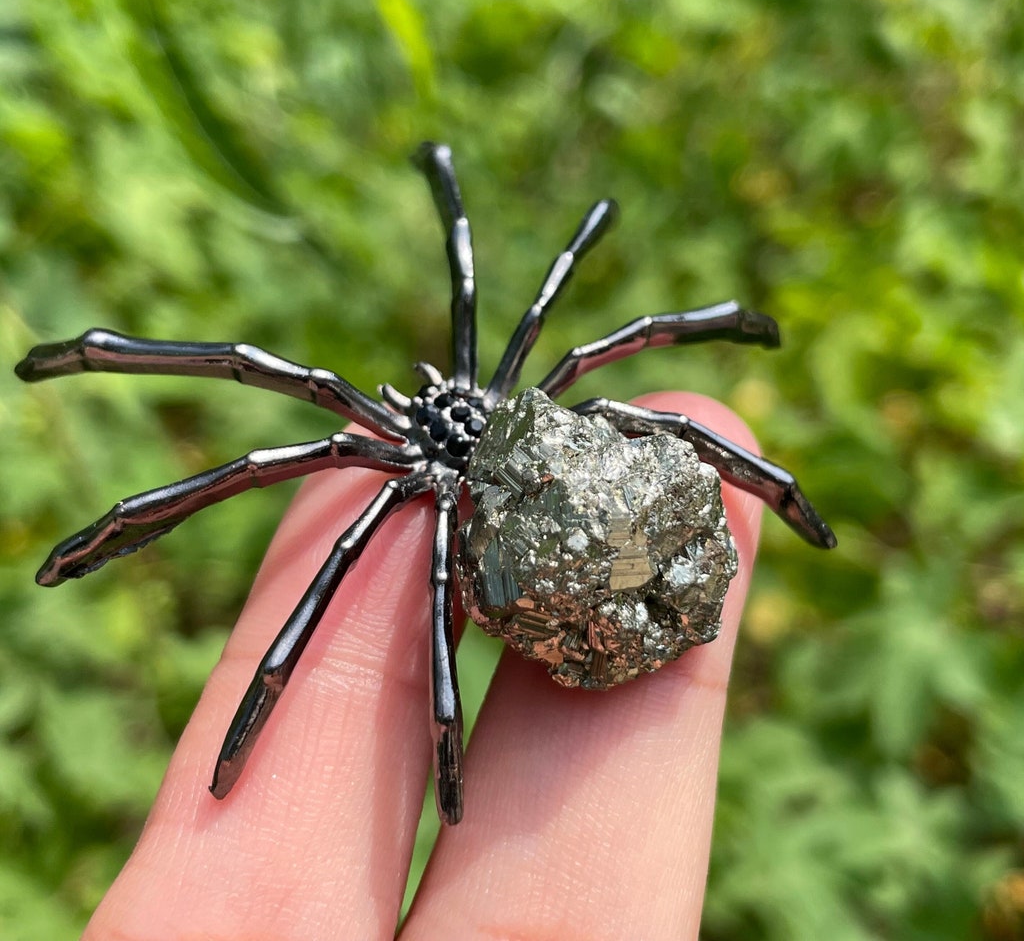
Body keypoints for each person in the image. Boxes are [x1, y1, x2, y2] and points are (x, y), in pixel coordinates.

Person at [82, 393, 762, 940]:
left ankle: (103, 535)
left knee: (346, 544)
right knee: (364, 558)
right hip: (555, 540)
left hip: (598, 548)